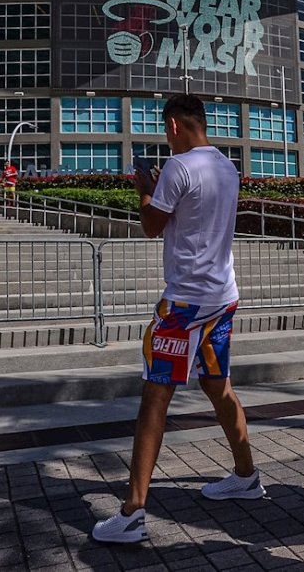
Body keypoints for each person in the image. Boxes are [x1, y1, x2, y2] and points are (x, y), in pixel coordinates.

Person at [91, 94, 265, 544]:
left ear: (173, 126)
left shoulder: (178, 167)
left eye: (165, 130)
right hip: (221, 297)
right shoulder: (227, 167)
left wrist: (144, 187)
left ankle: (132, 512)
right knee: (217, 385)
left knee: (155, 397)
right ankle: (246, 476)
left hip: (184, 304)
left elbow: (152, 225)